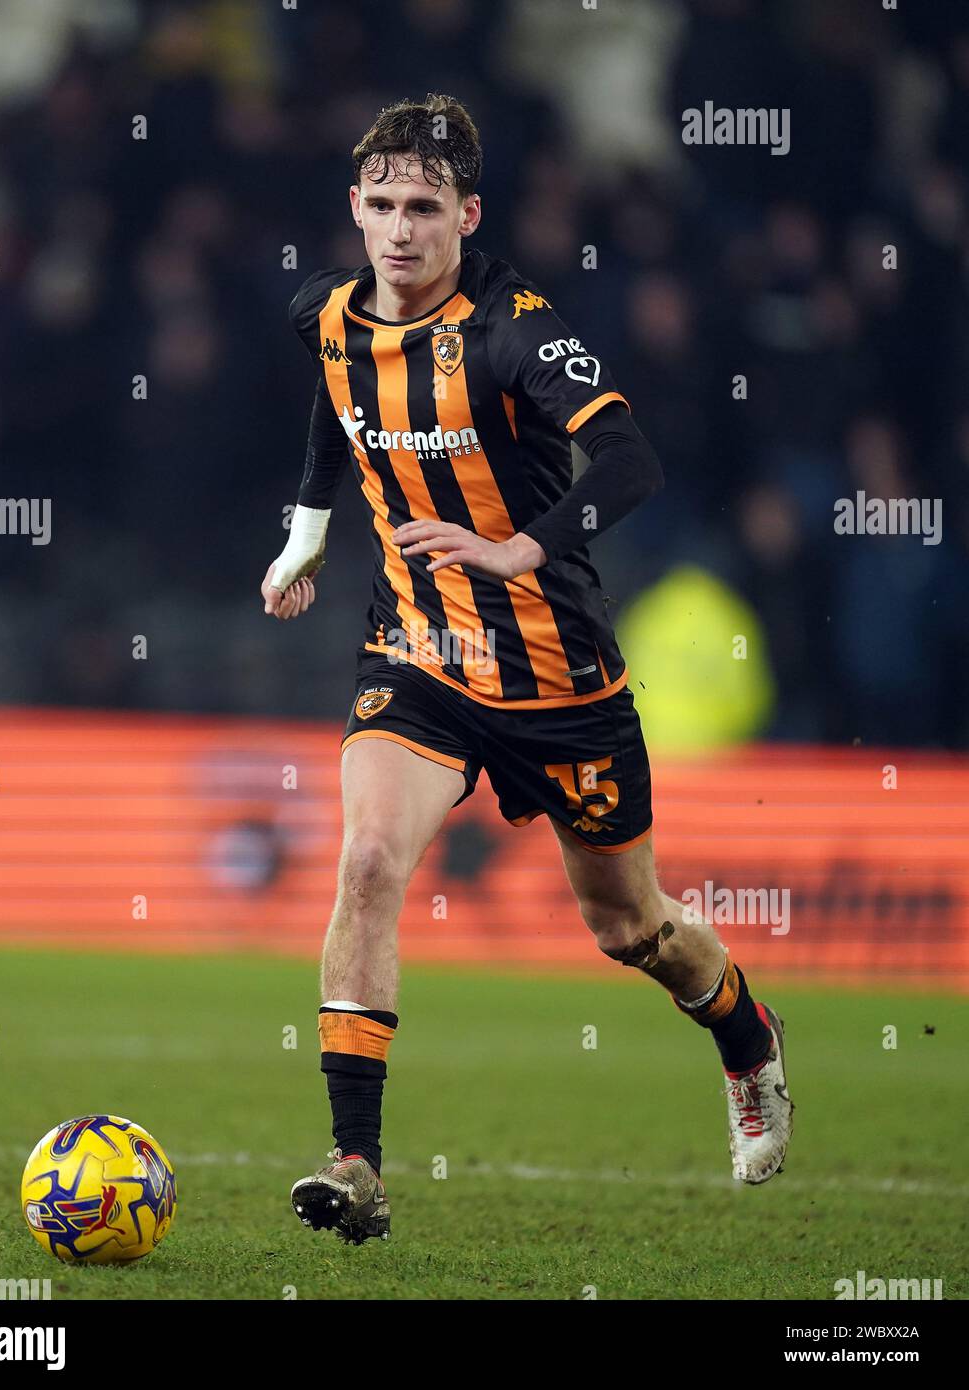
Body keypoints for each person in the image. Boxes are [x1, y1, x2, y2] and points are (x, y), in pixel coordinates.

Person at [261, 94, 792, 1245]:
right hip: (416, 655)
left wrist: (521, 543)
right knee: (363, 862)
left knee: (630, 930)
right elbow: (334, 401)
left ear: (467, 214)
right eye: (382, 207)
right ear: (353, 209)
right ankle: (355, 1161)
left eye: (424, 208)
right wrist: (305, 531)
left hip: (557, 677)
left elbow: (627, 454)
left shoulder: (515, 328)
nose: (400, 232)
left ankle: (747, 1037)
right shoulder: (329, 314)